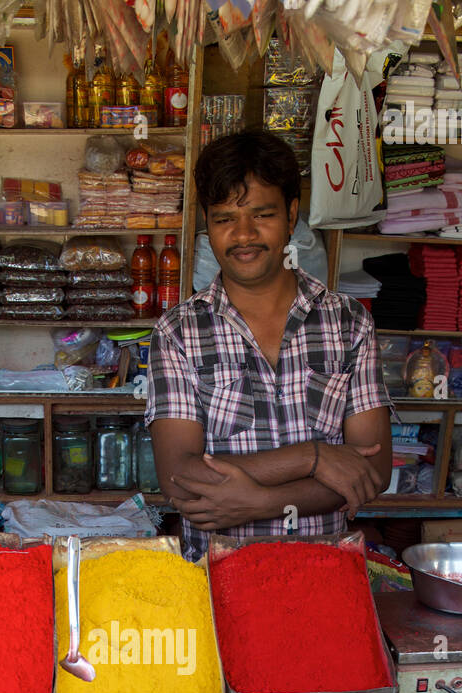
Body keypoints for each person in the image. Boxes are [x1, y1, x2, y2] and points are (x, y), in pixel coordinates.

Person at [145, 130, 393, 560]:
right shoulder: (177, 332)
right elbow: (177, 476)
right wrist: (313, 458)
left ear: (292, 214)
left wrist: (261, 503)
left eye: (262, 215)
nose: (244, 235)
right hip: (215, 579)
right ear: (207, 223)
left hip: (323, 571)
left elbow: (373, 469)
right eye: (225, 219)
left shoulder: (348, 321)